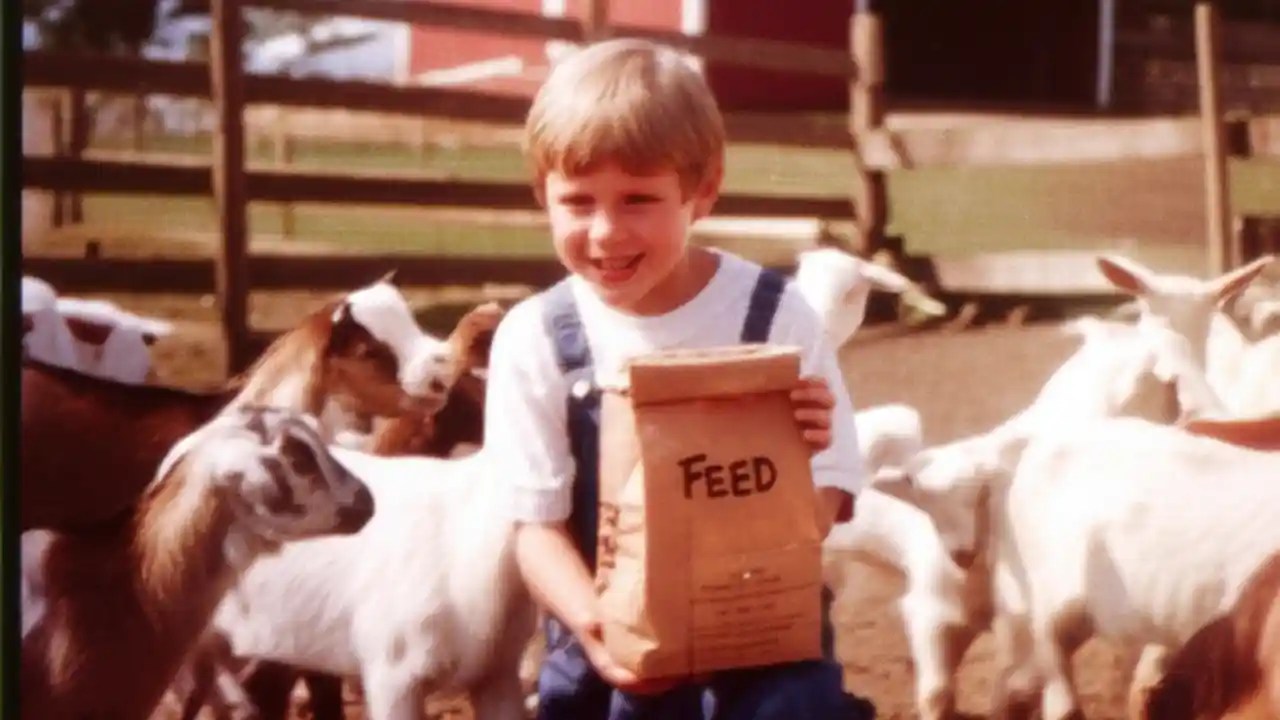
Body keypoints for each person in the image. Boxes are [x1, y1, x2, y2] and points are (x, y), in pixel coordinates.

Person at [483, 37, 875, 720]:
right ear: (541, 195)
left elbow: (835, 478)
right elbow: (535, 528)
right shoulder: (537, 338)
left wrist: (797, 463)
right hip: (607, 627)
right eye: (578, 202)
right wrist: (598, 631)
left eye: (639, 199)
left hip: (760, 628)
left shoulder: (771, 314)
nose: (605, 232)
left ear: (702, 191)